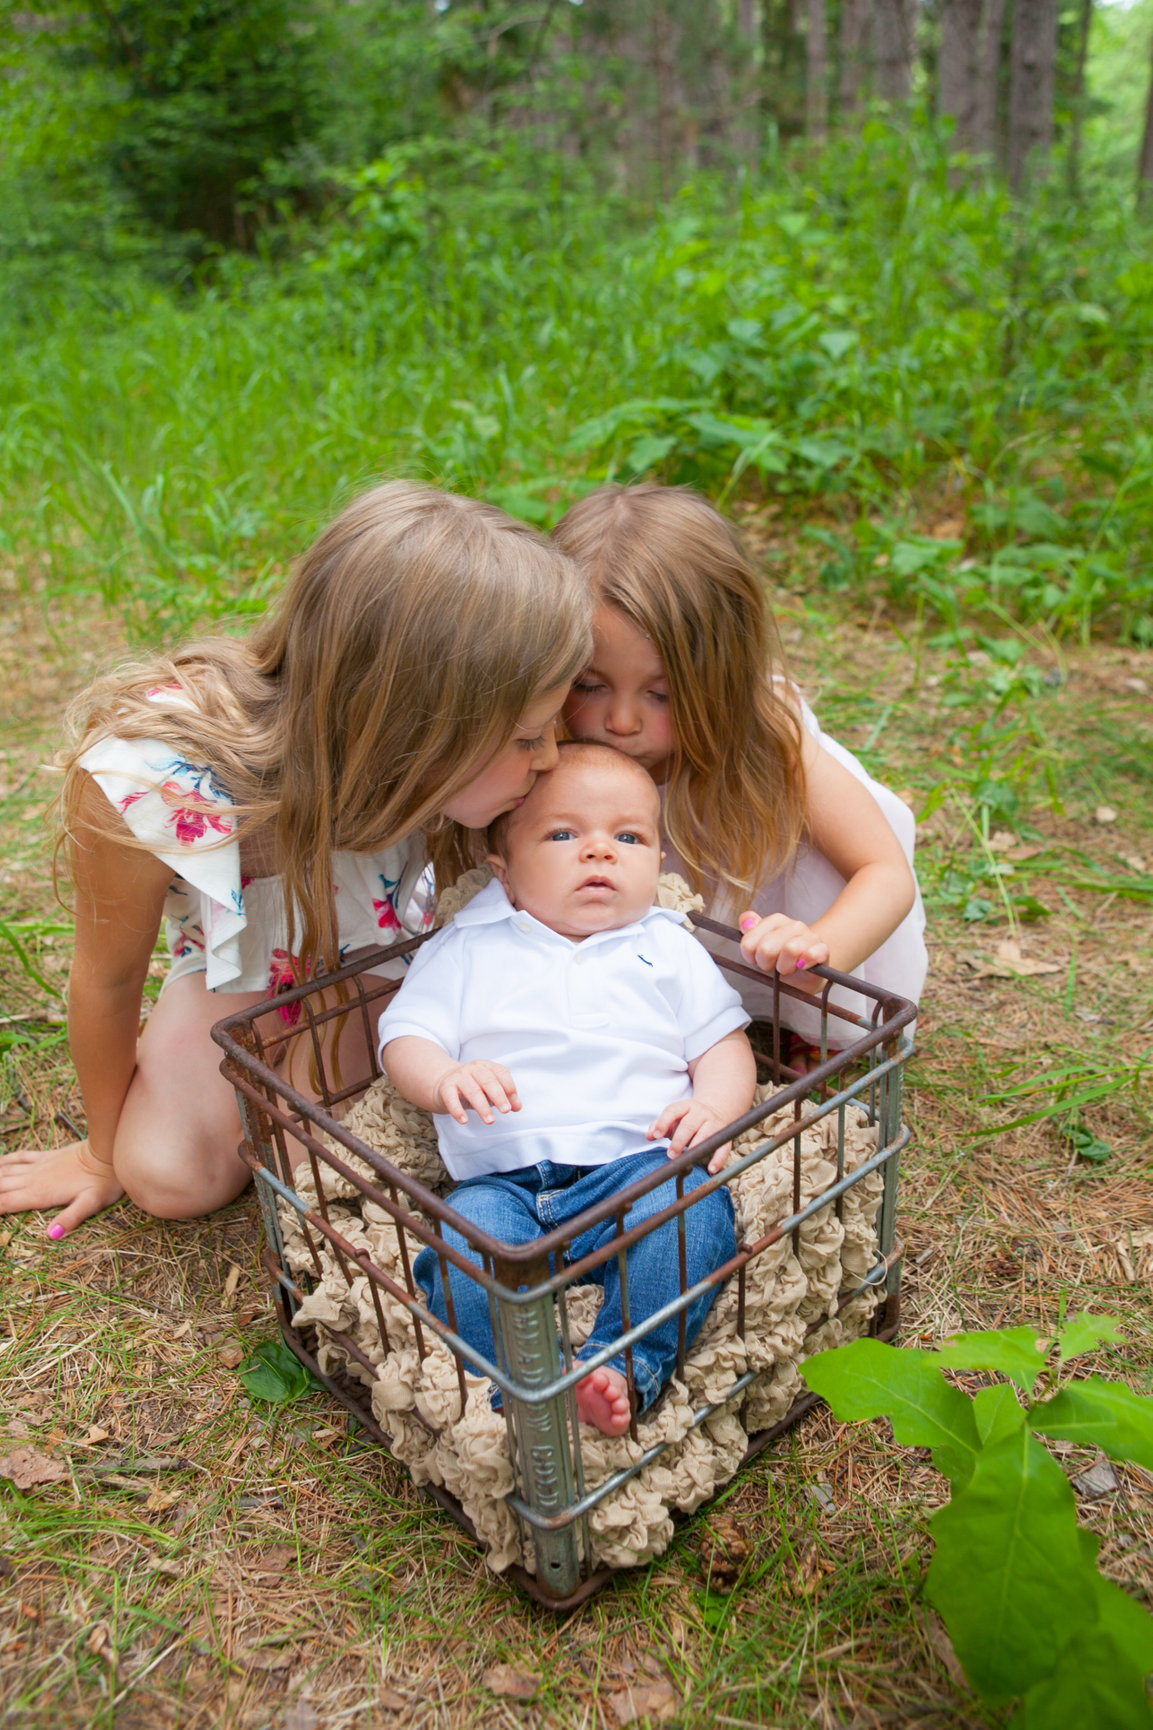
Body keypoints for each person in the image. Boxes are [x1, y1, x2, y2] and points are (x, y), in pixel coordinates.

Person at [0, 481, 592, 1241]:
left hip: (385, 958)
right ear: (414, 733)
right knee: (168, 1175)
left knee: (352, 1151)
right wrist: (99, 1153)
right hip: (241, 979)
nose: (550, 758)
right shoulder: (146, 784)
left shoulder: (443, 779)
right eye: (527, 738)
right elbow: (107, 980)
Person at [378, 741, 756, 1436]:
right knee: (463, 1250)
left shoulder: (668, 945)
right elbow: (405, 1035)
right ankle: (525, 1387)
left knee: (694, 1214)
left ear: (659, 862)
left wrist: (713, 1107)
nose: (599, 851)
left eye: (629, 837)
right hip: (502, 1183)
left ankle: (622, 1364)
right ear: (503, 870)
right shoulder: (466, 945)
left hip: (637, 1167)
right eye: (562, 834)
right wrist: (444, 1077)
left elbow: (723, 1046)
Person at [552, 483, 926, 1057]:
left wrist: (819, 947)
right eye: (589, 684)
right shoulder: (546, 735)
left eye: (662, 694)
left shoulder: (766, 739)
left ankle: (785, 1017)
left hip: (762, 909)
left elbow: (884, 871)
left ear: (723, 677)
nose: (620, 722)